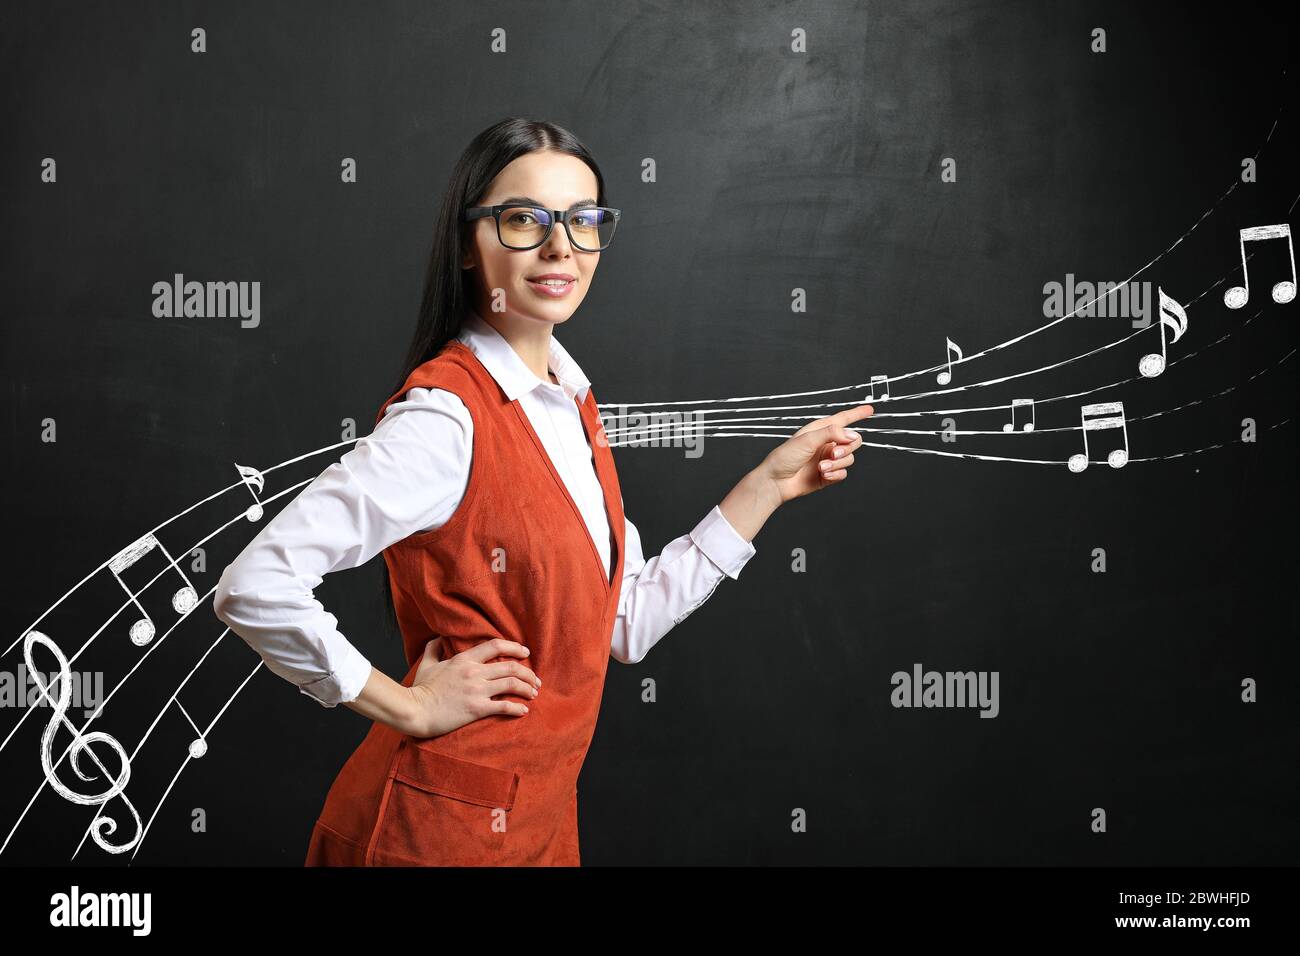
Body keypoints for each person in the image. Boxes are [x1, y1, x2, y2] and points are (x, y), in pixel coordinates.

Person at [213, 117, 872, 866]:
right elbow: (255, 585)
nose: (562, 246)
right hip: (432, 838)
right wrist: (410, 706)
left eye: (584, 221)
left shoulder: (569, 398)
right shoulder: (446, 418)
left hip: (541, 828)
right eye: (525, 219)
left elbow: (619, 624)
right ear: (468, 243)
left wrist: (767, 488)